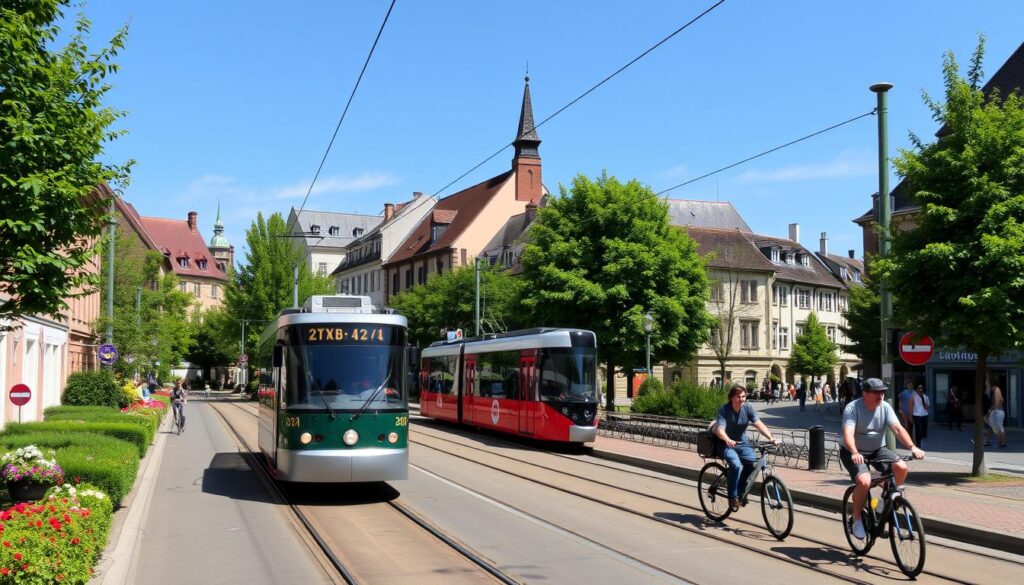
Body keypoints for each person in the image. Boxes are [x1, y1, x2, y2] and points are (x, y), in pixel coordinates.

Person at [840, 378, 924, 540]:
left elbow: (898, 429)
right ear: (865, 393)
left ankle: (882, 504)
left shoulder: (885, 407)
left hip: (877, 450)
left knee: (901, 467)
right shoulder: (853, 408)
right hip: (853, 451)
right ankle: (856, 518)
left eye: (883, 392)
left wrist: (912, 447)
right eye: (877, 392)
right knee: (864, 481)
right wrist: (855, 452)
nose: (881, 395)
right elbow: (848, 434)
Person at [712, 384, 778, 512]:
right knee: (736, 465)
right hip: (726, 444)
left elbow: (758, 424)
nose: (742, 399)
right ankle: (732, 497)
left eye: (744, 396)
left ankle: (740, 489)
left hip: (742, 443)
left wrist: (770, 437)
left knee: (752, 464)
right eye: (738, 397)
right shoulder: (724, 410)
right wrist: (727, 439)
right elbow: (720, 430)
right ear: (731, 398)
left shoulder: (747, 408)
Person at [912, 384, 930, 448]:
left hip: (924, 415)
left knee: (923, 430)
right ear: (916, 389)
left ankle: (921, 440)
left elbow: (927, 407)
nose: (920, 390)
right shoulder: (914, 396)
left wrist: (922, 398)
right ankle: (918, 443)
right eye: (919, 388)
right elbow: (911, 406)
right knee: (918, 430)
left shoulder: (925, 397)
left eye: (921, 388)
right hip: (916, 415)